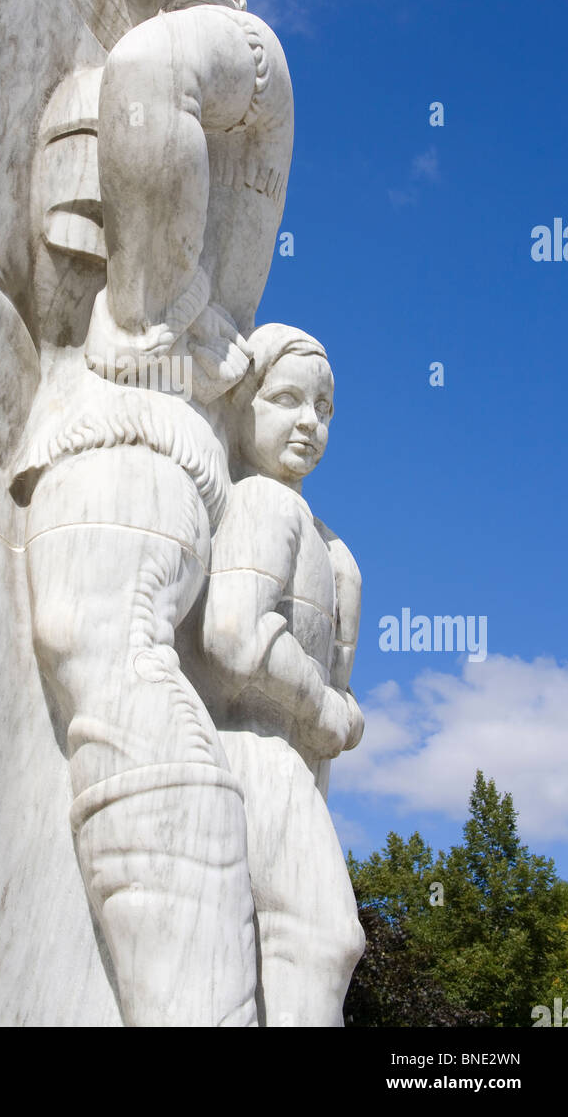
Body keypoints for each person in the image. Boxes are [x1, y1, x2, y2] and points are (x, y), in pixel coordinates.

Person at [12, 0, 295, 1026]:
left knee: (107, 653)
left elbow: (164, 78)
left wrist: (161, 323)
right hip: (101, 407)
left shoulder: (228, 62)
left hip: (143, 405)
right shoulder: (148, 49)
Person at [192, 323, 365, 1025]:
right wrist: (324, 706)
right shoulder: (262, 502)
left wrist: (339, 710)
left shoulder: (331, 546)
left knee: (287, 947)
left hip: (290, 764)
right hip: (249, 747)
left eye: (323, 409)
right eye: (287, 399)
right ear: (243, 404)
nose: (309, 424)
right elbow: (233, 632)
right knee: (322, 939)